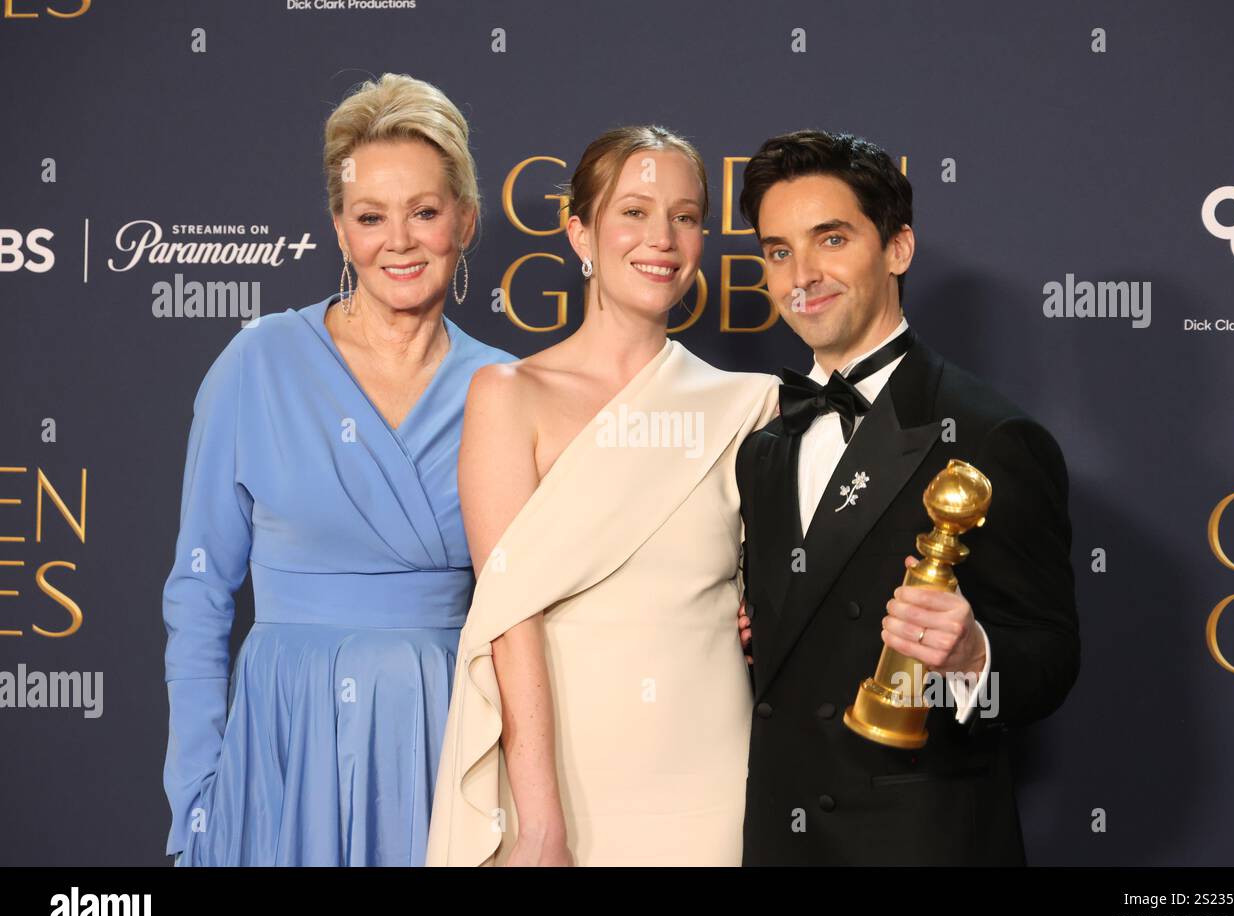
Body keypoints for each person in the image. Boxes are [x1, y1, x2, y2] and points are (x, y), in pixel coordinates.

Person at [162, 73, 515, 866]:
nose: (399, 240)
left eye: (424, 212)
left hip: (445, 742)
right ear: (338, 227)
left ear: (464, 218)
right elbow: (198, 592)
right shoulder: (258, 362)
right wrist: (196, 796)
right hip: (283, 740)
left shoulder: (506, 390)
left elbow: (549, 604)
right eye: (370, 217)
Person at [425, 125, 780, 866]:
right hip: (564, 780)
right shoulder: (507, 395)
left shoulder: (750, 404)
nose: (663, 237)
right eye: (635, 210)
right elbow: (507, 619)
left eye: (686, 216)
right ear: (579, 232)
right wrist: (541, 819)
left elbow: (771, 591)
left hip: (711, 776)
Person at [734, 130, 1080, 865]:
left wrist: (971, 654)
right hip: (778, 837)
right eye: (777, 250)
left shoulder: (991, 434)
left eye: (831, 238)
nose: (802, 273)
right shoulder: (764, 447)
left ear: (897, 248)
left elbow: (1050, 660)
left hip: (916, 843)